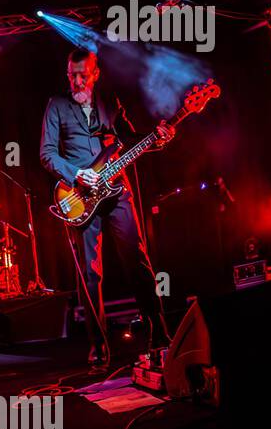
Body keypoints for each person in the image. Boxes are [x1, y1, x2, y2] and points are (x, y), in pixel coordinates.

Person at [39, 49, 173, 365]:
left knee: (138, 261)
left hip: (116, 191)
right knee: (89, 275)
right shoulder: (56, 105)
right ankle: (98, 346)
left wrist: (159, 138)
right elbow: (47, 153)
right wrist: (75, 173)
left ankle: (159, 334)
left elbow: (129, 138)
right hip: (79, 195)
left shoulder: (108, 101)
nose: (76, 80)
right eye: (71, 74)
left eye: (82, 74)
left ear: (96, 73)